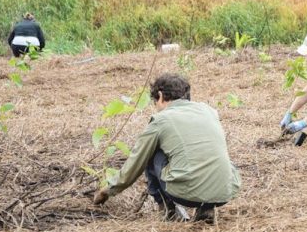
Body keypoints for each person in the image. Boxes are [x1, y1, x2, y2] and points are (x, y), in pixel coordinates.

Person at [93, 74, 240, 222]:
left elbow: (135, 162)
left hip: (186, 194)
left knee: (151, 152)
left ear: (161, 96)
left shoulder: (161, 120)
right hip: (225, 191)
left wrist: (108, 190)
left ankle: (168, 211)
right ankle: (206, 209)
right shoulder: (209, 111)